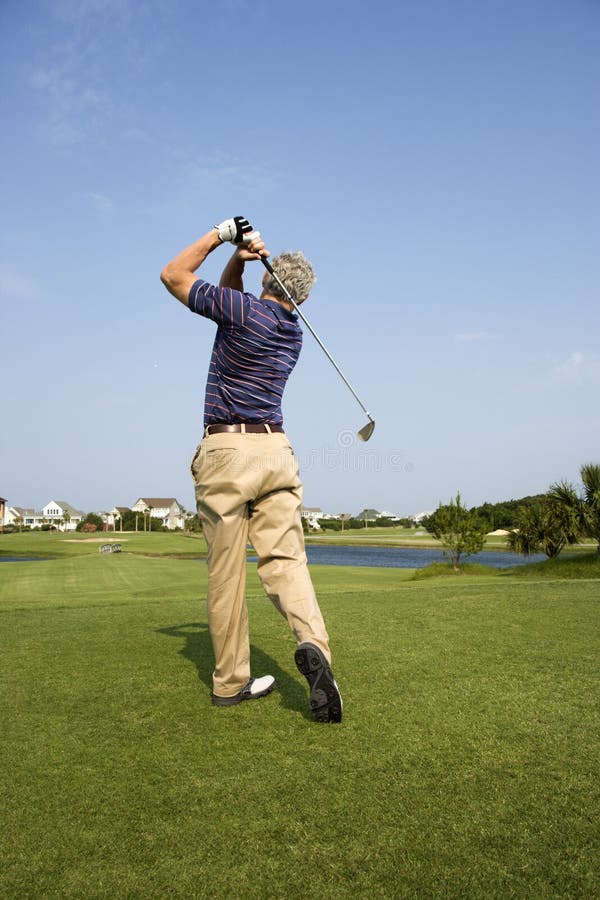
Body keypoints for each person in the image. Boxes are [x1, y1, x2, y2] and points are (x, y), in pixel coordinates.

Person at [160, 216, 342, 723]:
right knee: (286, 562)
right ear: (301, 298)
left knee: (226, 575)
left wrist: (222, 237)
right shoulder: (292, 334)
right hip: (277, 451)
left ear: (268, 279)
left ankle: (230, 684)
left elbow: (173, 275)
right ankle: (315, 648)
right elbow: (229, 299)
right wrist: (239, 261)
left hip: (227, 452)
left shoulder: (242, 313)